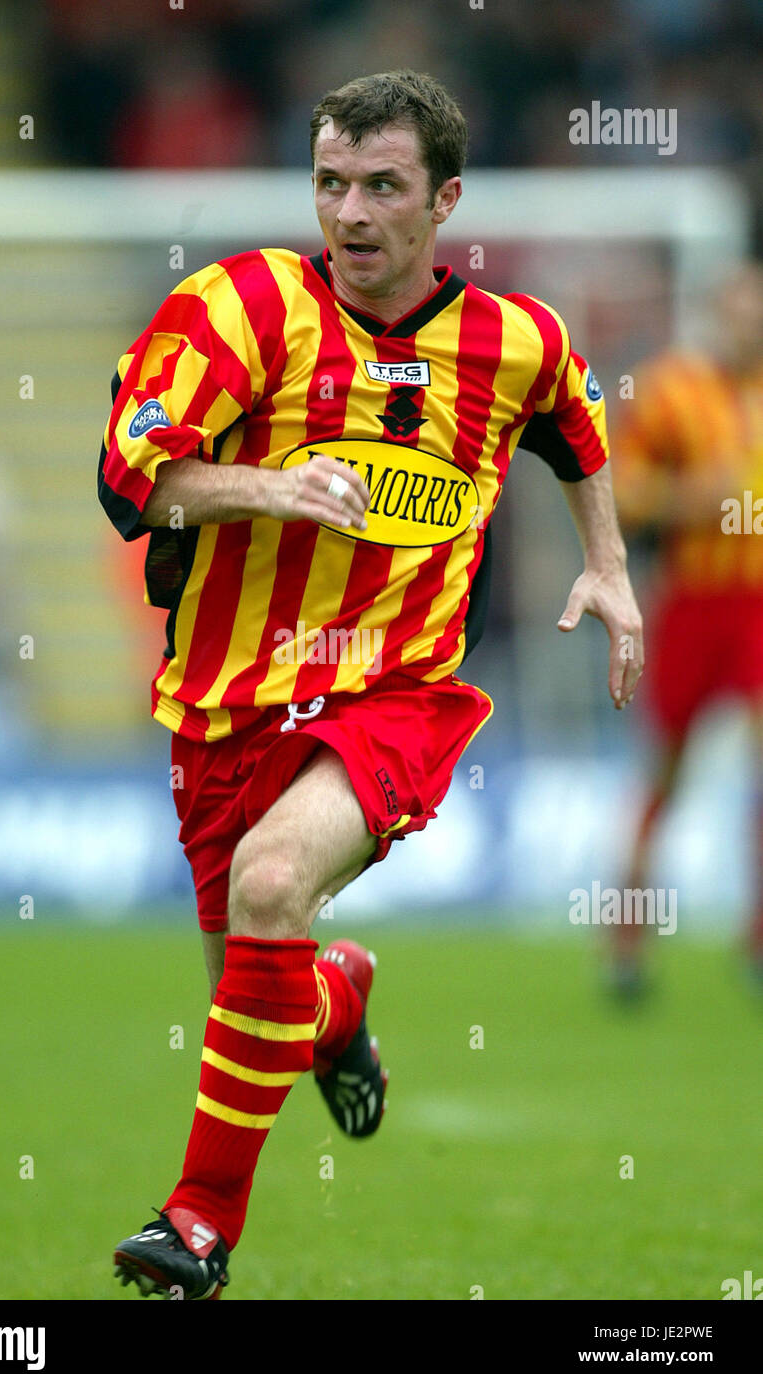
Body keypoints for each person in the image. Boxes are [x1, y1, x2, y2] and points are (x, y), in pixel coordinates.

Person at [98, 69, 643, 1300]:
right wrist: (266, 486)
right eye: (330, 183)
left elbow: (576, 418)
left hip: (392, 693)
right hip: (224, 707)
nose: (350, 213)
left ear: (442, 199)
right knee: (266, 993)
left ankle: (194, 1226)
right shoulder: (240, 312)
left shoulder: (514, 341)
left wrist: (608, 567)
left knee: (273, 881)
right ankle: (337, 1005)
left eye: (382, 187)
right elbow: (128, 474)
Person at [607, 263, 763, 998]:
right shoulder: (670, 390)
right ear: (716, 314)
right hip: (692, 601)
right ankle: (627, 941)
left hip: (758, 604)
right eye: (741, 311)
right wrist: (690, 497)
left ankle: (756, 937)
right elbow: (621, 491)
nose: (751, 325)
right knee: (663, 773)